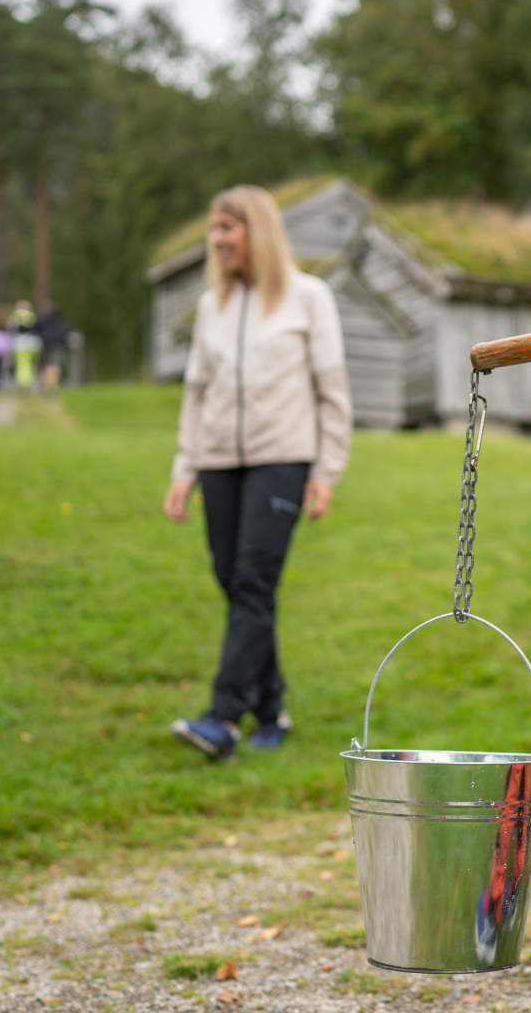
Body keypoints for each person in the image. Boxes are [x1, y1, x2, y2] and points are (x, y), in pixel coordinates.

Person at [163, 184, 353, 761]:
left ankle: (222, 718)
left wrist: (326, 470)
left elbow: (332, 391)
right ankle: (270, 707)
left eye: (228, 229)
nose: (216, 241)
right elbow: (196, 393)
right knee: (236, 582)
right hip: (220, 461)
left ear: (258, 232)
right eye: (214, 229)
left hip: (283, 459)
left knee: (251, 579)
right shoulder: (212, 308)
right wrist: (184, 467)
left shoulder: (308, 298)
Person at [9, 300, 41, 392]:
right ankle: (29, 382)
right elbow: (37, 329)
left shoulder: (15, 316)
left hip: (19, 343)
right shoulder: (32, 316)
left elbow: (11, 328)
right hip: (31, 343)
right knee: (30, 364)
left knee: (20, 363)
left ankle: (21, 383)